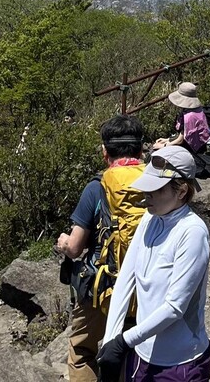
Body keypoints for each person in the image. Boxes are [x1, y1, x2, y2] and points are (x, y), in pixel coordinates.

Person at [98, 146, 210, 382]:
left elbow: (175, 307)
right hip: (142, 356)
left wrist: (124, 341)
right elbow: (126, 279)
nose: (146, 194)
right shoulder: (150, 218)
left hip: (181, 362)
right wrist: (110, 343)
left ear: (181, 191)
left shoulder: (192, 231)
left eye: (155, 189)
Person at [57, 114, 146, 382]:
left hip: (101, 286)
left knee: (82, 351)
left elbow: (74, 247)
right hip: (145, 287)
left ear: (104, 151)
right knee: (131, 353)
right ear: (142, 150)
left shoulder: (97, 187)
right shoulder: (157, 184)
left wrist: (62, 242)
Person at [157, 83, 210, 155]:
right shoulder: (198, 110)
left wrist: (163, 146)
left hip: (191, 151)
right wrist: (167, 140)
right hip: (199, 146)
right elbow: (182, 134)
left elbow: (180, 140)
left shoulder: (189, 117)